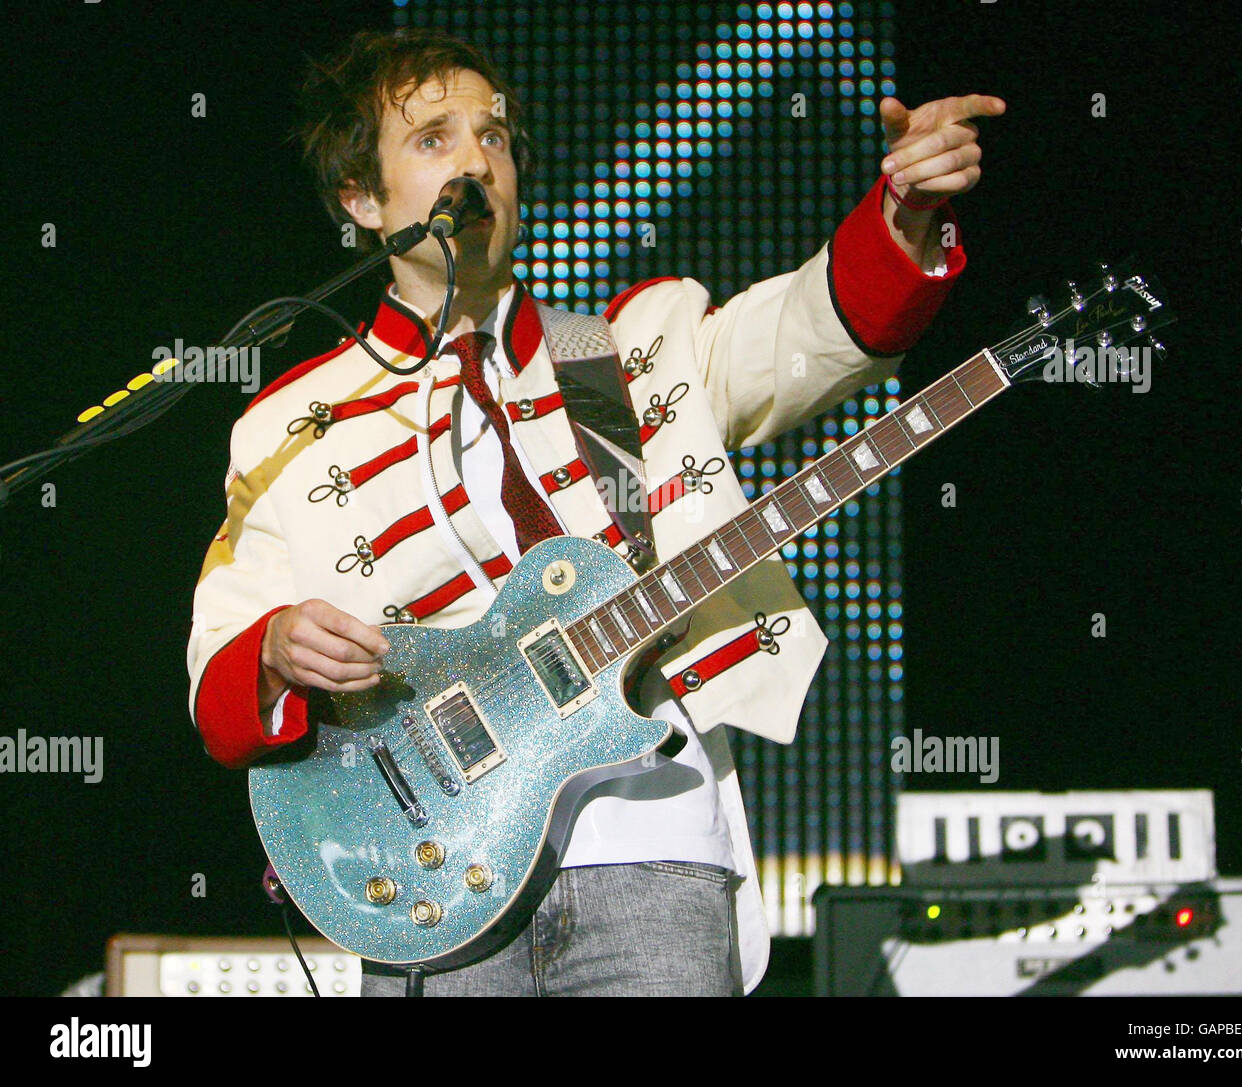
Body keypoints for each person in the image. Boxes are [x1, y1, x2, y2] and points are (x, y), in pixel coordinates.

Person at [185, 27, 1002, 996]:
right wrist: (277, 647)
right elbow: (218, 668)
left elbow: (812, 332)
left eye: (494, 136)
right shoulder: (285, 428)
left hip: (651, 845)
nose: (478, 161)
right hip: (435, 878)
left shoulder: (637, 344)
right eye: (434, 139)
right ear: (361, 201)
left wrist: (901, 215)